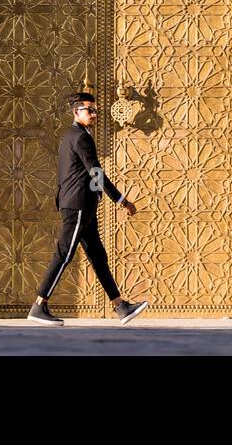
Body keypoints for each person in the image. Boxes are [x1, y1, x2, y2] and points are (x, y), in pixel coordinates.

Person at [27, 90, 150, 325]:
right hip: (78, 206)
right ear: (76, 112)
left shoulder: (73, 136)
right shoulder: (80, 137)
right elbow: (95, 172)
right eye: (88, 110)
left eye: (95, 110)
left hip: (82, 205)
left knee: (98, 256)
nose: (93, 114)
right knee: (64, 254)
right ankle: (39, 305)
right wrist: (121, 199)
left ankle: (120, 305)